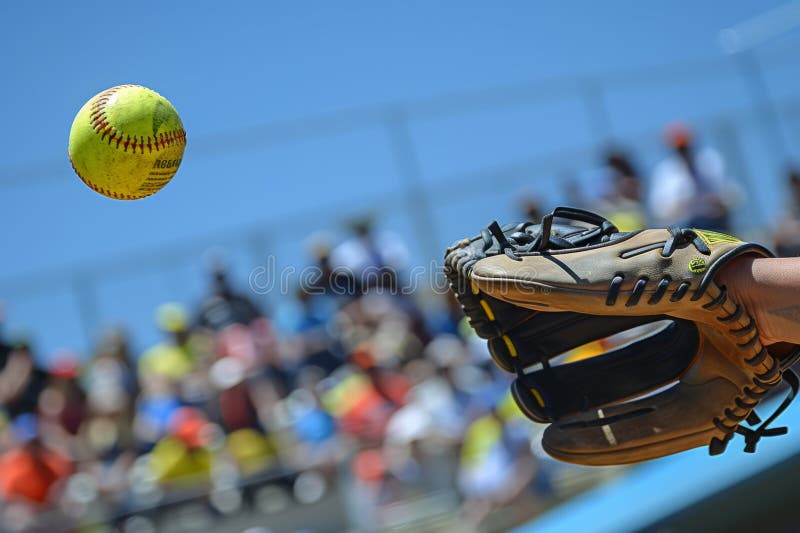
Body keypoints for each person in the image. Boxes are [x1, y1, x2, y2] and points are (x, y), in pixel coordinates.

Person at [648, 123, 736, 232]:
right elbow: (660, 209)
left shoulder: (711, 160)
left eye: (685, 147)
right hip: (684, 227)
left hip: (714, 222)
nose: (684, 151)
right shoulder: (665, 172)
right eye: (680, 149)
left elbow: (724, 194)